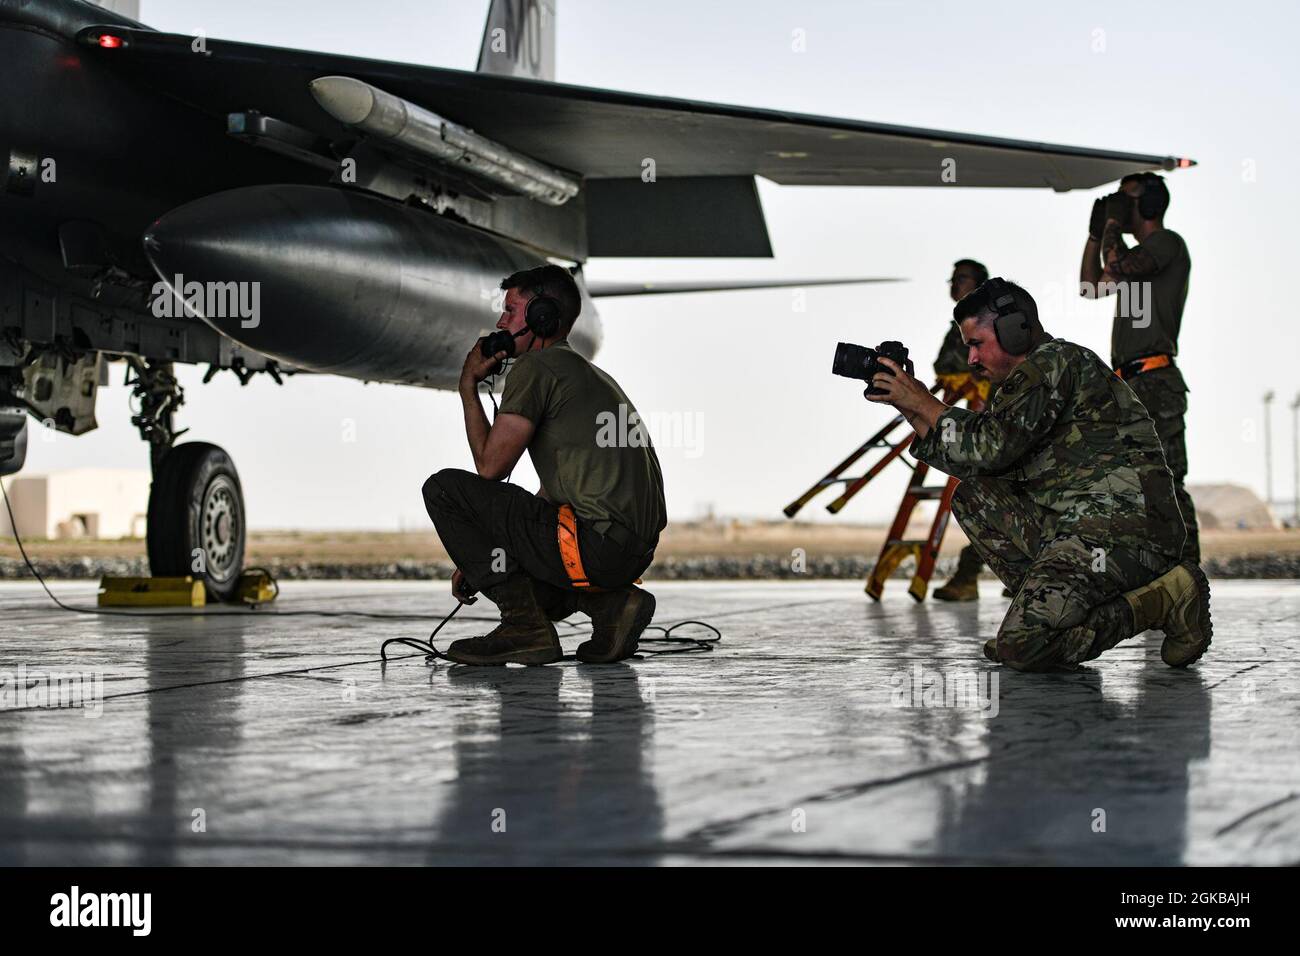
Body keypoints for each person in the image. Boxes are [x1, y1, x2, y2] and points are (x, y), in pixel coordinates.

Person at [866, 277, 1211, 671]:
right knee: (975, 496)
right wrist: (910, 407)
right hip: (1078, 527)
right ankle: (1043, 620)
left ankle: (1162, 599)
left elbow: (992, 445)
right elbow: (977, 460)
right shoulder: (1024, 381)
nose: (972, 360)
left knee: (1022, 648)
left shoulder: (1052, 364)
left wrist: (921, 400)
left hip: (1123, 533)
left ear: (1015, 332)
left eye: (977, 344)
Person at [422, 264, 666, 666]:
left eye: (511, 310)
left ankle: (525, 630)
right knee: (522, 566)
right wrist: (482, 558)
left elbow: (490, 468)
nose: (500, 321)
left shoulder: (536, 369)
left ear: (541, 316)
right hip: (626, 552)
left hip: (595, 545)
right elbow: (558, 492)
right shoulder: (586, 375)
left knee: (445, 489)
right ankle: (612, 606)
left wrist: (468, 387)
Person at [1079, 172, 1198, 562]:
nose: (1120, 207)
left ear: (1146, 206)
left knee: (1167, 482)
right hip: (1128, 382)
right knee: (1133, 485)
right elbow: (1090, 286)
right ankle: (1153, 571)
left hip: (1155, 380)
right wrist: (1095, 235)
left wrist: (1112, 225)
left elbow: (1122, 265)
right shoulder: (1130, 258)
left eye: (1126, 200)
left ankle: (1186, 576)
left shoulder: (1166, 245)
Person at [932, 258, 994, 601]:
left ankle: (969, 576)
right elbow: (944, 364)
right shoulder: (961, 325)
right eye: (952, 279)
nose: (954, 285)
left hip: (990, 424)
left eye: (961, 279)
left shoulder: (986, 323)